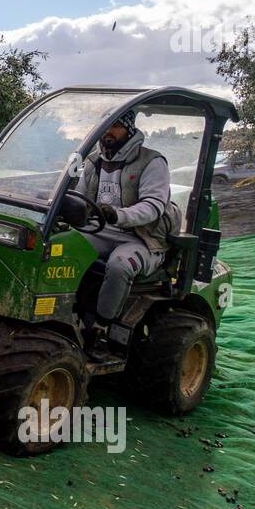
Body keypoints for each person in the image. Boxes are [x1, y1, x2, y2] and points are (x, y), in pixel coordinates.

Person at [78, 110, 177, 352]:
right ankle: (73, 313)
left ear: (129, 129)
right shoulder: (93, 162)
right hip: (101, 230)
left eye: (116, 126)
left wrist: (118, 214)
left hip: (142, 238)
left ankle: (100, 329)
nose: (108, 132)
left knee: (120, 265)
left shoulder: (153, 162)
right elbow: (78, 197)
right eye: (105, 126)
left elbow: (153, 206)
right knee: (62, 246)